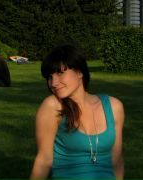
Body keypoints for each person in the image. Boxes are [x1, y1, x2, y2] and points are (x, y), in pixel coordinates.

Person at [29, 45, 125, 180]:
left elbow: (116, 160)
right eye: (50, 77)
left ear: (80, 72)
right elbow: (44, 160)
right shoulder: (53, 106)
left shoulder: (114, 107)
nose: (54, 83)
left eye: (60, 73)